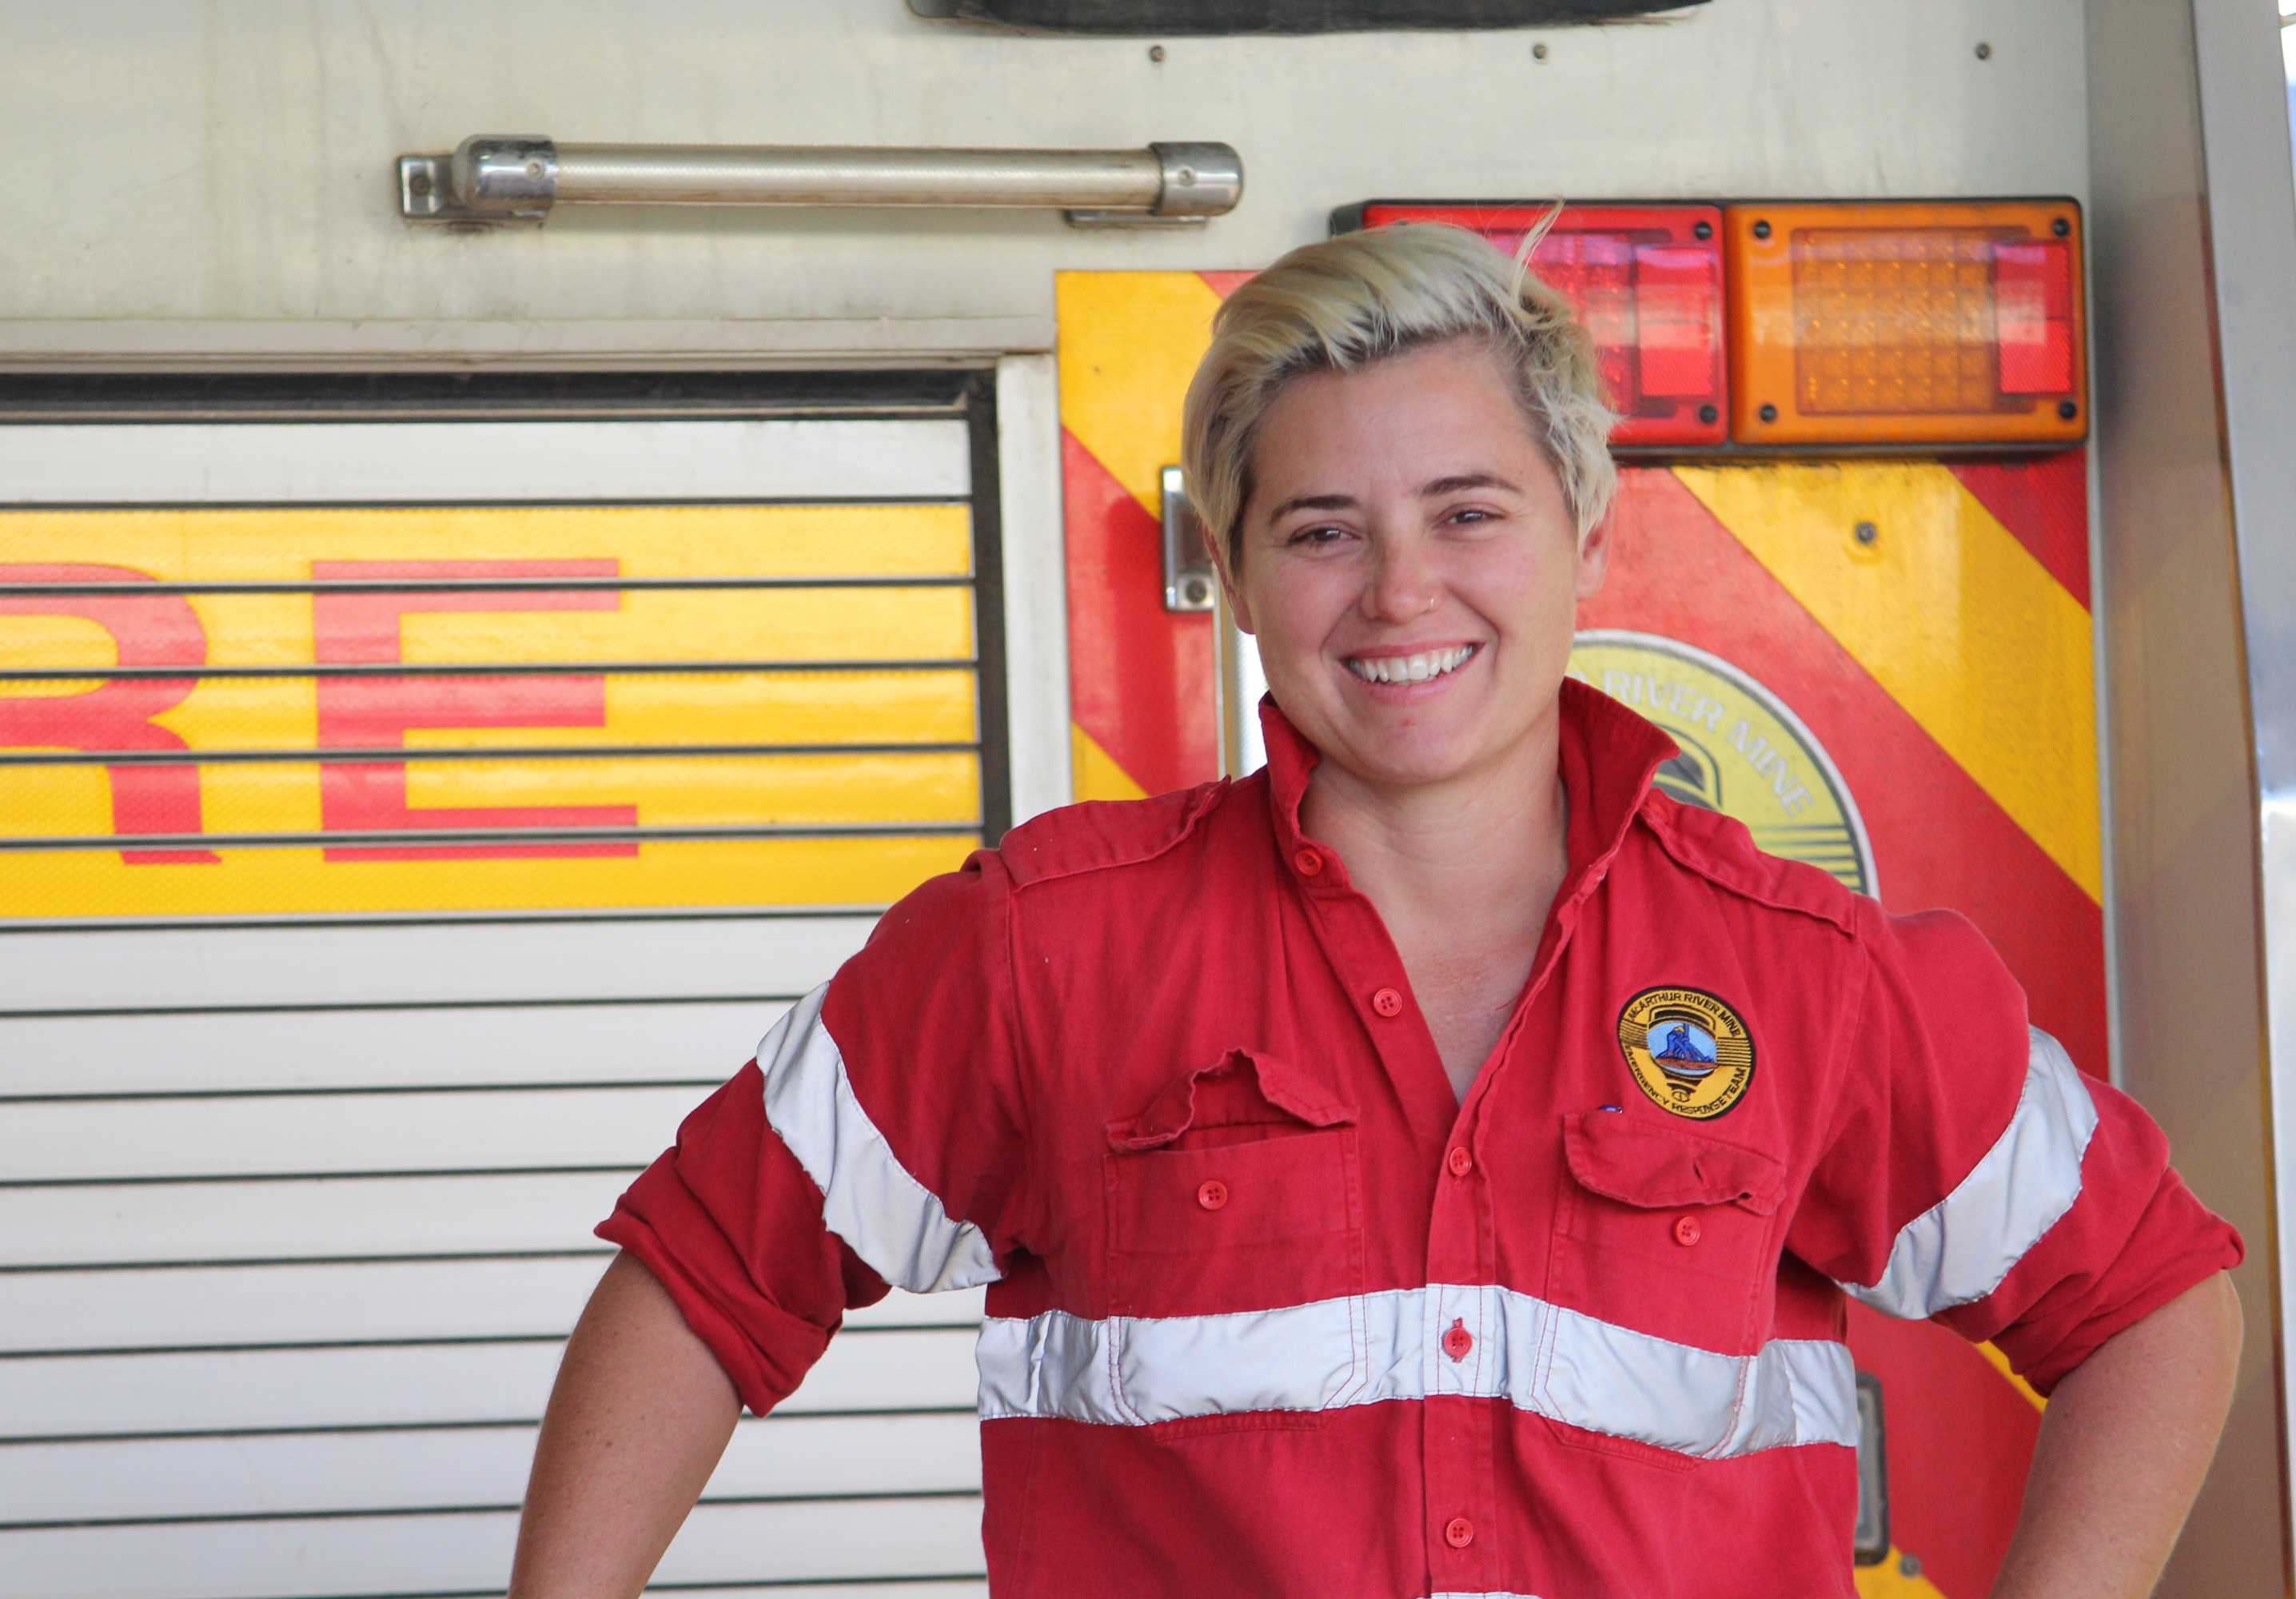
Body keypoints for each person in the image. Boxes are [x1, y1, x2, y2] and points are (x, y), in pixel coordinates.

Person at [508, 223, 2244, 1598]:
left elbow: (2154, 1307)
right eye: (1324, 528)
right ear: (1239, 570)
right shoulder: (1040, 948)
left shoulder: (1809, 978)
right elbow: (697, 1280)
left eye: (1468, 512)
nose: (1402, 590)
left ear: (1583, 529)